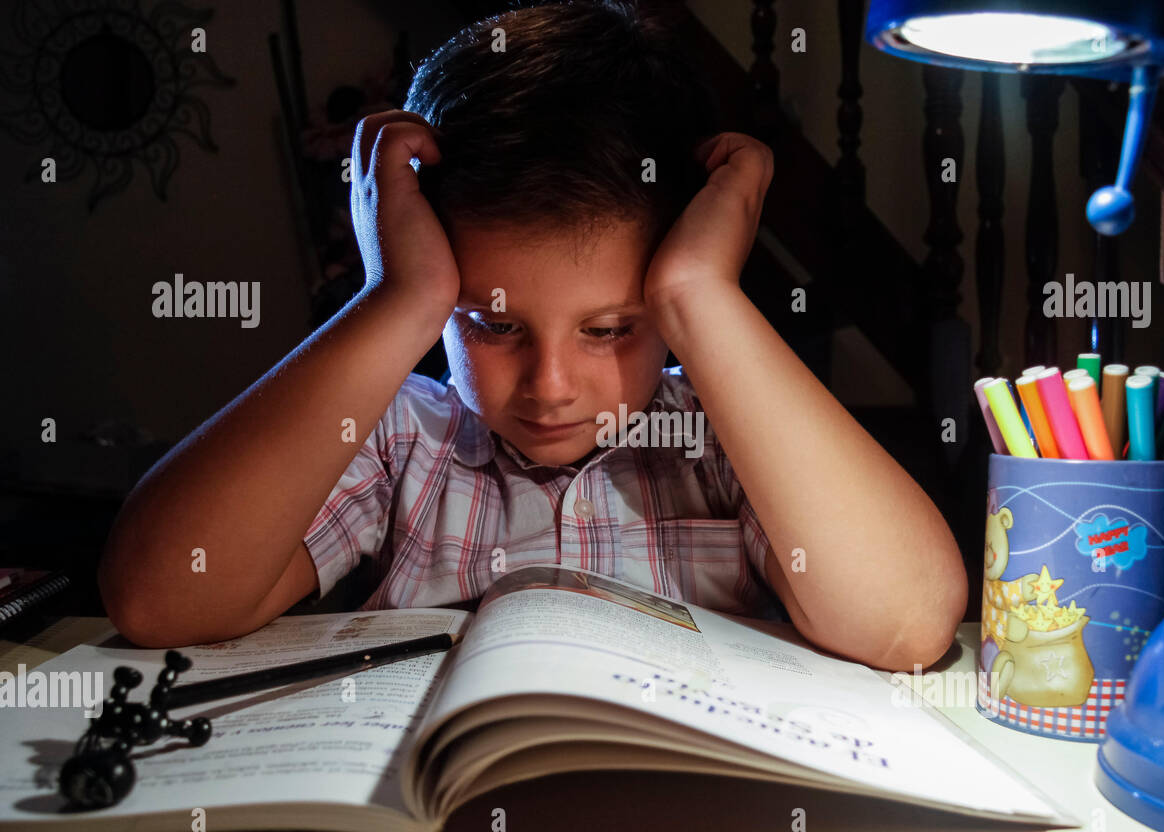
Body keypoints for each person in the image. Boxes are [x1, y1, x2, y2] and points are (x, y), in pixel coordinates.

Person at [97, 0, 966, 669]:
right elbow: (162, 599)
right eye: (494, 322)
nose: (550, 384)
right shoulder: (401, 439)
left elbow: (907, 624)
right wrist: (397, 298)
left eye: (611, 328)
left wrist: (704, 292)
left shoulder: (724, 440)